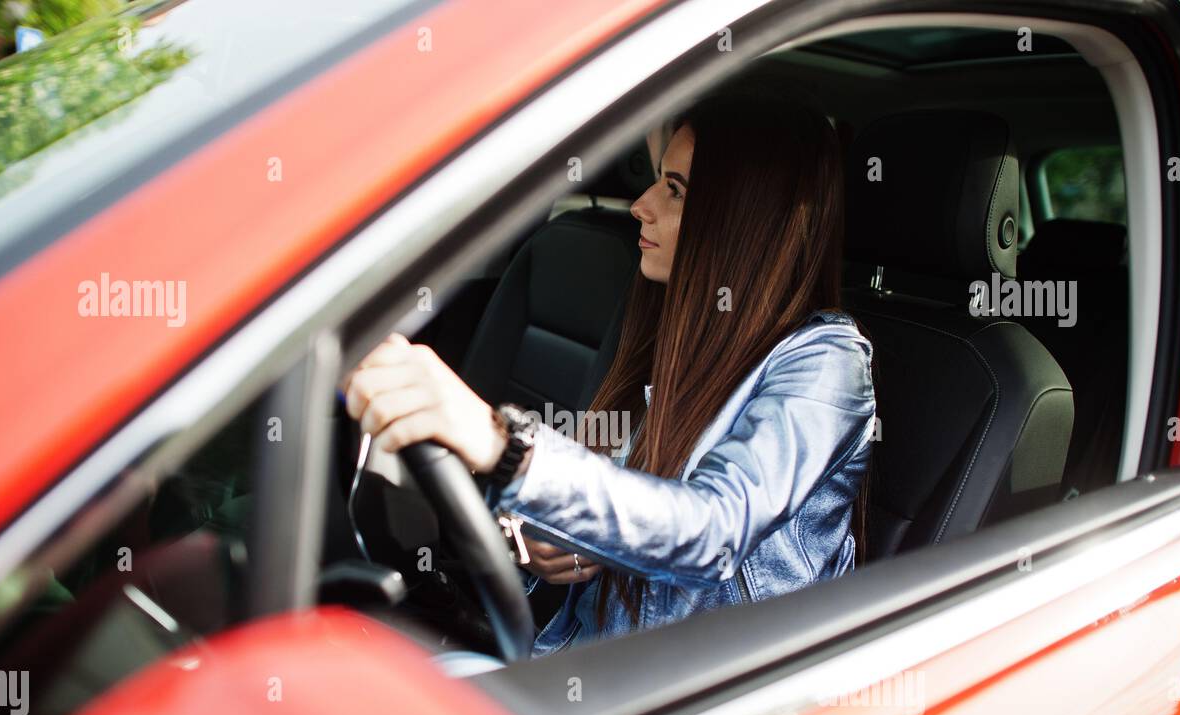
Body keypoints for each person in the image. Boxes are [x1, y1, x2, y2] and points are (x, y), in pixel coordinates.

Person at [342, 89, 875, 658]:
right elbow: (611, 495)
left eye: (675, 189)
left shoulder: (826, 363)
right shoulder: (673, 336)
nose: (640, 205)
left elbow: (713, 532)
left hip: (714, 701)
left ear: (750, 216)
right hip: (585, 666)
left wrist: (504, 446)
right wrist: (545, 540)